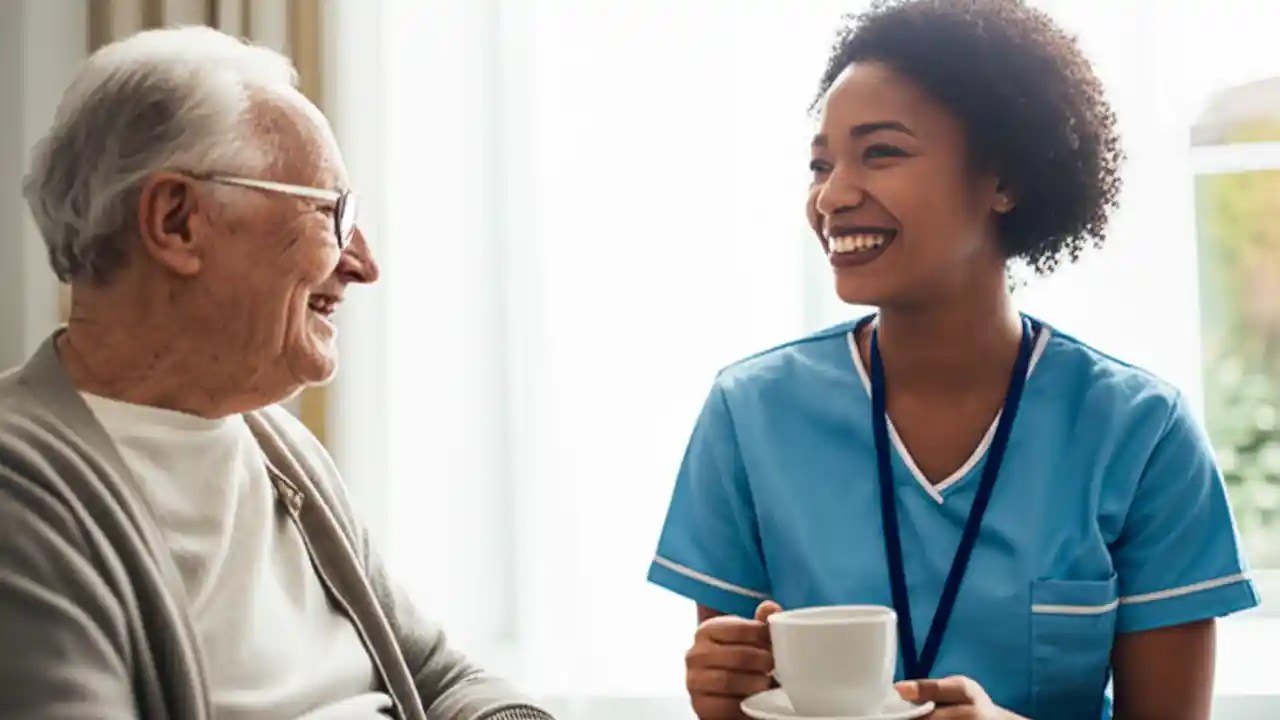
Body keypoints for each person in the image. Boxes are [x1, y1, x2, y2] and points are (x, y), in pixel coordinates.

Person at [647, 2, 1258, 719]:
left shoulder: (1142, 433)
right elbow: (742, 704)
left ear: (1005, 179)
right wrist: (720, 696)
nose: (832, 195)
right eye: (821, 163)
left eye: (881, 153)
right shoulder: (749, 415)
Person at [0, 27, 552, 720]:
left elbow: (441, 676)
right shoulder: (21, 485)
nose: (363, 263)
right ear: (177, 222)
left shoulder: (277, 451)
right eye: (333, 212)